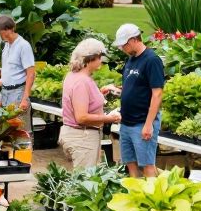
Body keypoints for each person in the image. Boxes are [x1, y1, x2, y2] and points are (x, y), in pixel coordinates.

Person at [60, 38, 122, 168]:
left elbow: (81, 99)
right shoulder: (82, 82)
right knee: (86, 183)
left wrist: (100, 92)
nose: (101, 60)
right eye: (99, 57)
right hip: (82, 137)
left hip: (74, 134)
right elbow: (81, 117)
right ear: (89, 59)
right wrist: (110, 118)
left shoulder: (72, 75)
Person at [114, 24, 164, 177]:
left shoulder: (151, 60)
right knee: (130, 164)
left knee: (147, 165)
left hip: (142, 123)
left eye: (124, 45)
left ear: (134, 40)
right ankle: (135, 197)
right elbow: (133, 86)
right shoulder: (130, 60)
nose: (122, 48)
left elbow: (157, 94)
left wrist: (149, 125)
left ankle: (153, 199)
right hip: (126, 123)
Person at [0, 14, 35, 130]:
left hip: (18, 94)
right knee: (8, 133)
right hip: (6, 94)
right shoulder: (6, 46)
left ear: (7, 30)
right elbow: (11, 68)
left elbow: (31, 73)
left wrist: (24, 99)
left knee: (21, 132)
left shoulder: (23, 46)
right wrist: (0, 76)